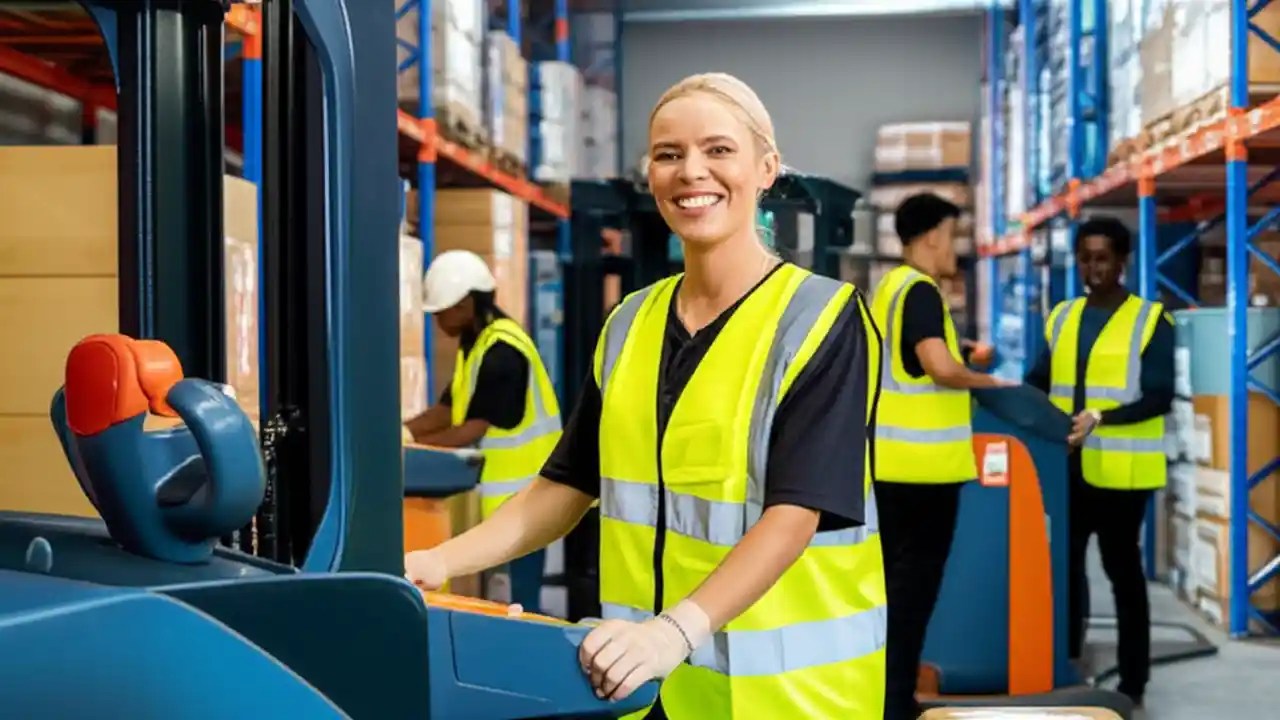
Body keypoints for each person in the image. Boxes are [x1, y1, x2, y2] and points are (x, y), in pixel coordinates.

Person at [406, 72, 886, 719]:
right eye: (668, 154)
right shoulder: (630, 323)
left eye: (718, 150)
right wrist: (437, 560)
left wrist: (675, 631)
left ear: (767, 167)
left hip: (784, 699)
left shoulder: (822, 319)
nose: (692, 172)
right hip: (644, 687)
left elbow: (794, 516)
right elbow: (567, 485)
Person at [869, 192, 1011, 720]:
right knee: (911, 603)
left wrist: (964, 349)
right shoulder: (923, 290)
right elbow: (936, 367)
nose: (956, 246)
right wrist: (990, 381)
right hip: (923, 477)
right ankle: (896, 707)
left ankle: (888, 700)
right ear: (931, 235)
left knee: (892, 601)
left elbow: (911, 356)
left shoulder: (890, 289)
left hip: (889, 472)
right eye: (952, 234)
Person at [1024, 215, 1173, 707]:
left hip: (1121, 475)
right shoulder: (1063, 316)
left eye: (1103, 258)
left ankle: (1133, 683)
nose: (1093, 268)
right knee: (1065, 570)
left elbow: (1159, 396)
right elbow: (1038, 381)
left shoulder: (1150, 320)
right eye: (1086, 258)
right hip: (1067, 469)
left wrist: (1100, 417)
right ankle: (1069, 664)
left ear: (1122, 261)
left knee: (1122, 571)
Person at [404, 249, 562, 612]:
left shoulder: (503, 352)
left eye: (442, 311)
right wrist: (401, 432)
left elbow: (469, 431)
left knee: (519, 603)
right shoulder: (476, 346)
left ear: (465, 304)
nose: (438, 320)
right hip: (500, 502)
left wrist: (407, 452)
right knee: (496, 599)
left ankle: (522, 662)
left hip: (525, 503)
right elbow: (447, 411)